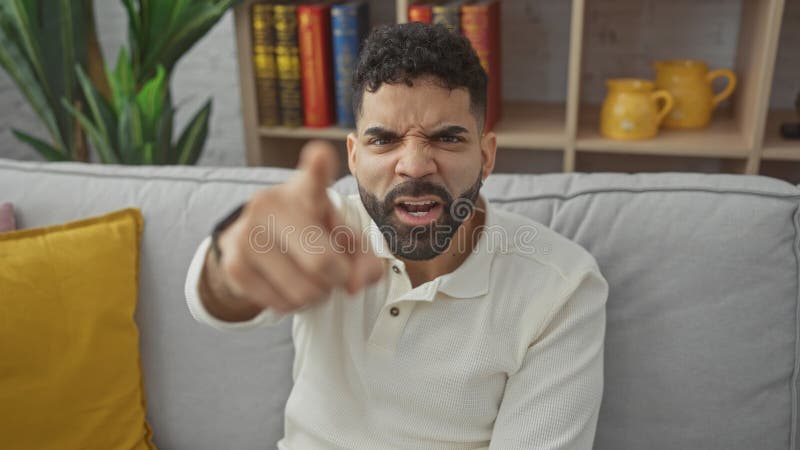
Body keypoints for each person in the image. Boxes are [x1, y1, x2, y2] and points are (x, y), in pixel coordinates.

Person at [184, 22, 609, 450]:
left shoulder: (562, 285)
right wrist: (233, 257)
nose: (415, 165)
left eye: (447, 138)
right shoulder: (321, 229)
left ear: (486, 155)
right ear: (354, 157)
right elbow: (216, 301)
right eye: (384, 140)